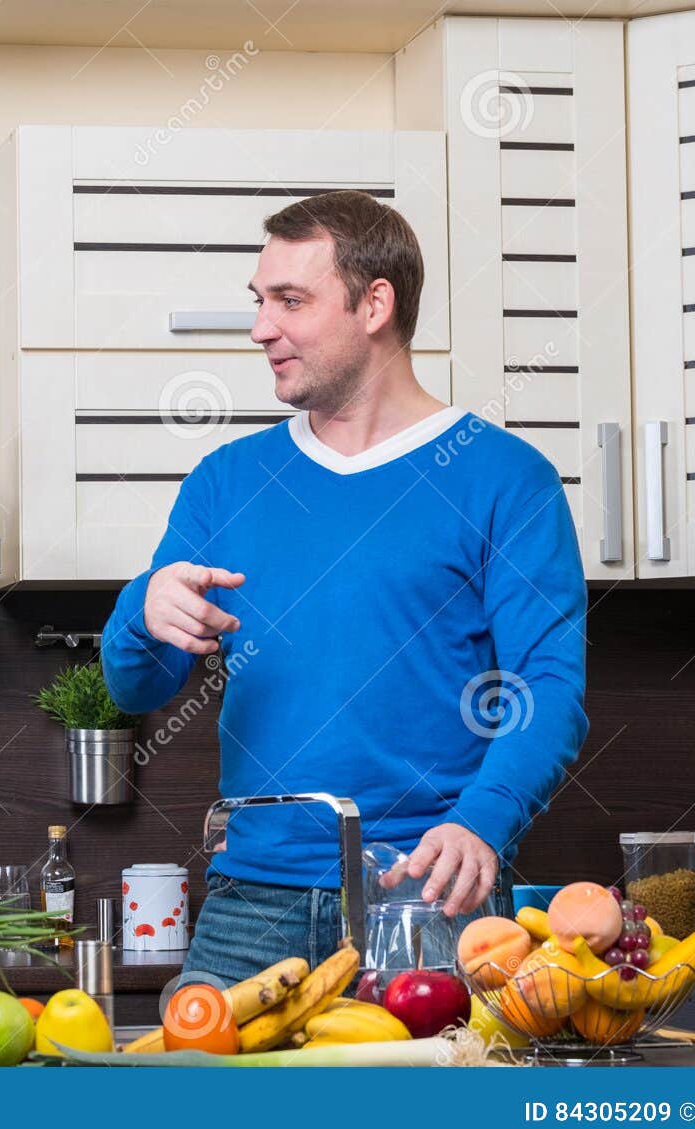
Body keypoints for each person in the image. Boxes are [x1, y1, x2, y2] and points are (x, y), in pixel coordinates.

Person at [101, 191, 588, 985]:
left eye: (290, 301)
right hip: (250, 905)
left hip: (432, 897)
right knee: (190, 1069)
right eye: (259, 301)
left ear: (374, 305)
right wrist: (144, 607)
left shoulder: (507, 480)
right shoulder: (228, 481)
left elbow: (550, 684)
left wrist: (484, 820)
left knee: (440, 1076)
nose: (261, 328)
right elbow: (138, 684)